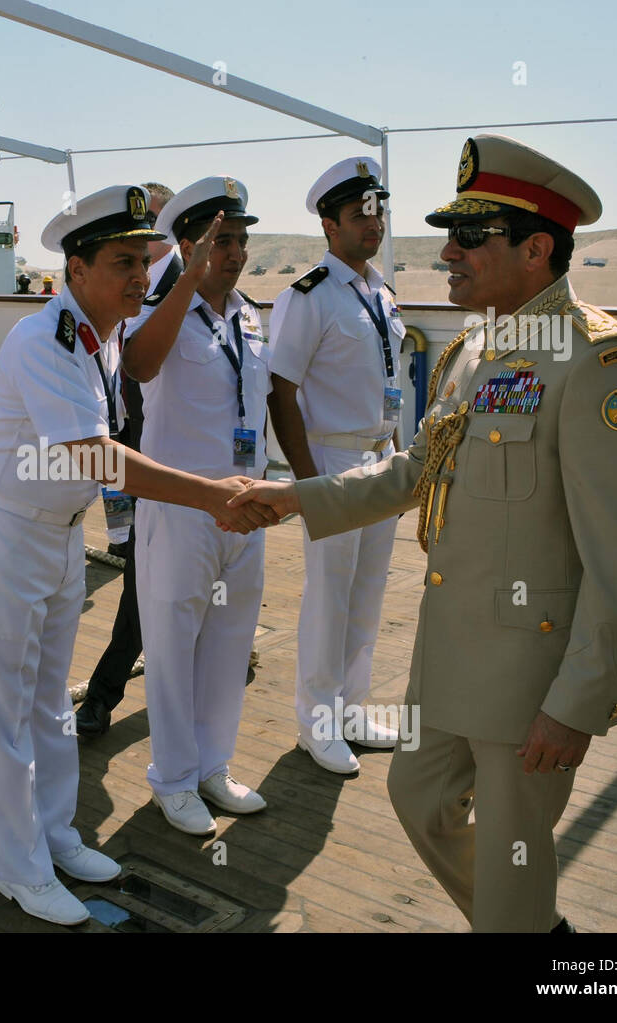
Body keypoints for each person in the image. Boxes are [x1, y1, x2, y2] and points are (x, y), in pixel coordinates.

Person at [230, 134, 617, 931]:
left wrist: (577, 702)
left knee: (512, 865)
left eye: (470, 237)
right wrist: (295, 497)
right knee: (418, 797)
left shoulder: (598, 365)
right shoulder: (474, 352)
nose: (447, 254)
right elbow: (414, 472)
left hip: (531, 682)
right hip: (449, 663)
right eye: (449, 236)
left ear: (536, 250)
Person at [0, 183, 273, 926]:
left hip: (61, 535)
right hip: (4, 536)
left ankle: (58, 836)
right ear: (76, 268)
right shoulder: (44, 340)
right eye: (123, 263)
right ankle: (21, 869)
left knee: (50, 706)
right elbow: (96, 456)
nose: (139, 276)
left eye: (142, 260)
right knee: (7, 714)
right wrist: (210, 494)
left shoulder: (107, 338)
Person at [121, 176, 271, 836]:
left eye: (240, 241)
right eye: (221, 241)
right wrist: (185, 281)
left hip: (246, 505)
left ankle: (213, 765)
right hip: (183, 507)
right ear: (187, 245)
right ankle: (174, 779)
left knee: (229, 642)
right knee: (173, 646)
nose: (235, 253)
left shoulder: (249, 315)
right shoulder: (162, 308)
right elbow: (138, 366)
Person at [266, 157, 403, 774]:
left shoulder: (380, 292)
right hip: (334, 458)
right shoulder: (309, 296)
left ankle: (350, 710)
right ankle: (316, 724)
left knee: (366, 593)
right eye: (358, 215)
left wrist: (397, 454)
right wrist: (308, 480)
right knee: (329, 596)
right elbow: (281, 389)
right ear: (329, 225)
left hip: (380, 457)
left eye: (377, 212)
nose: (373, 224)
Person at [76, 180, 173, 738]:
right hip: (132, 459)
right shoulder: (114, 303)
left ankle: (104, 697)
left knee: (175, 586)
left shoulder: (196, 291)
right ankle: (102, 696)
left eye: (153, 227)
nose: (144, 244)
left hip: (184, 464)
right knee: (141, 579)